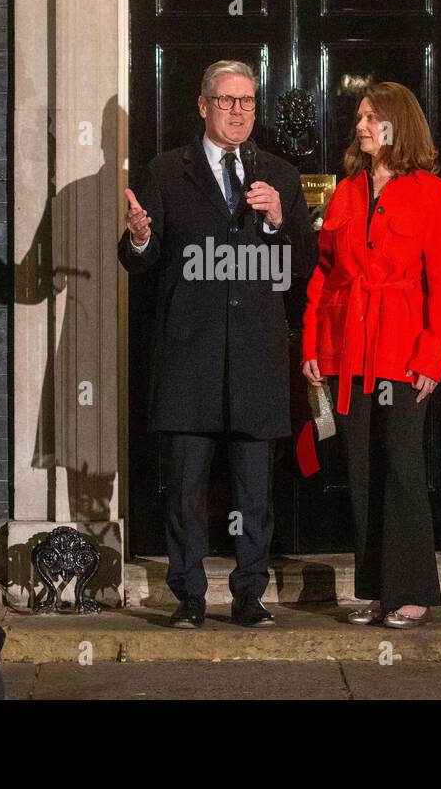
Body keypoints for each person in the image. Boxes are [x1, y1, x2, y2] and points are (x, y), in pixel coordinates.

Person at [119, 60, 316, 629]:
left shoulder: (278, 173)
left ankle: (250, 596)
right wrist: (140, 236)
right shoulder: (165, 171)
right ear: (203, 106)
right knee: (186, 492)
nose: (239, 111)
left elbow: (301, 264)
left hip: (256, 358)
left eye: (248, 101)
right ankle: (189, 598)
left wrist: (279, 220)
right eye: (227, 101)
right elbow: (141, 261)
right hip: (189, 357)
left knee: (255, 493)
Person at [301, 81, 441, 629]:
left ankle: (412, 589)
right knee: (363, 470)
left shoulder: (434, 195)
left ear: (399, 125)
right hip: (347, 352)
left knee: (402, 467)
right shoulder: (346, 191)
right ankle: (378, 589)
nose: (362, 126)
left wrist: (432, 357)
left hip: (403, 353)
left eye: (373, 117)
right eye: (361, 117)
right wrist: (313, 348)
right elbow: (323, 276)